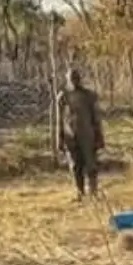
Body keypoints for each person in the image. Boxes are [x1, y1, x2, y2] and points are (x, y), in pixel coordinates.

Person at [56, 66, 105, 200]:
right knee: (75, 166)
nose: (74, 81)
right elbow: (59, 120)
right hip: (70, 136)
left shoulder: (89, 96)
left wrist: (99, 136)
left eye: (76, 78)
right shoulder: (62, 97)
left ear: (80, 79)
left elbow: (96, 118)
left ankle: (93, 192)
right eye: (71, 78)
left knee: (91, 164)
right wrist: (59, 139)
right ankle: (80, 192)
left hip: (87, 135)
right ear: (67, 79)